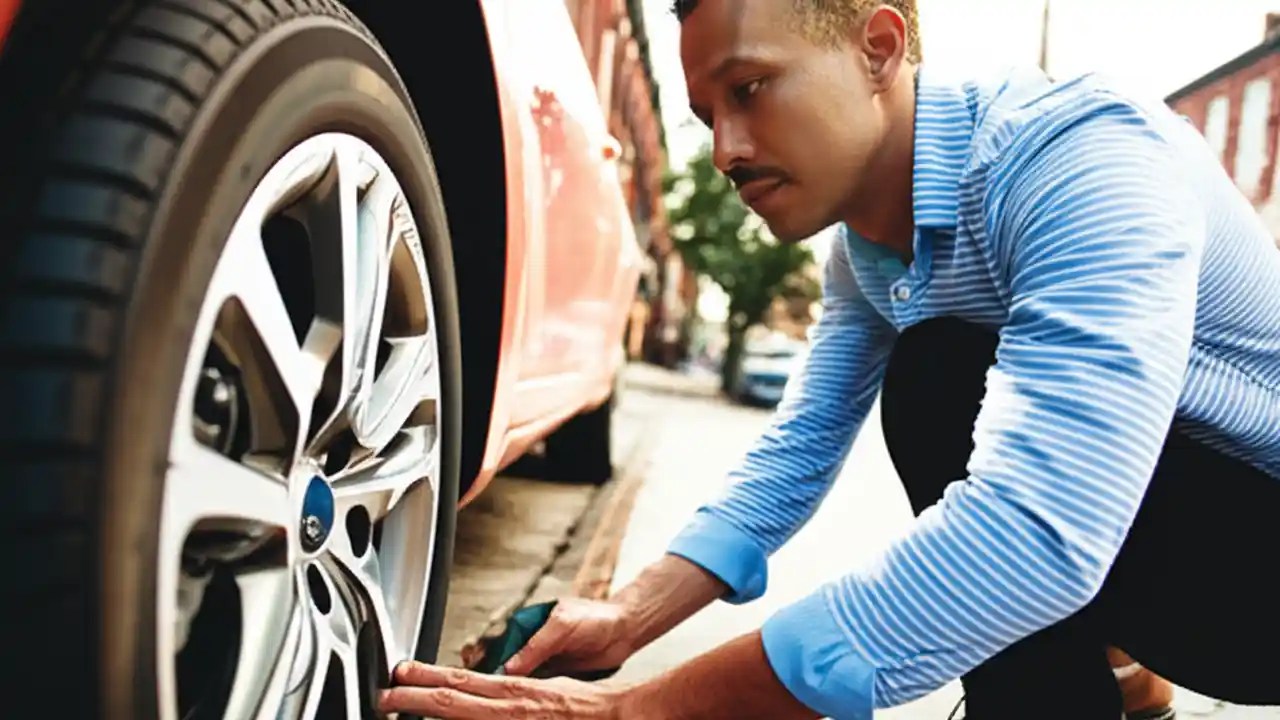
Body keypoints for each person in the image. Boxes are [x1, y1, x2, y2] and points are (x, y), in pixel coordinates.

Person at [378, 1, 1280, 718]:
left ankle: (1114, 675)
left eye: (750, 89)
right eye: (706, 117)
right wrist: (630, 614)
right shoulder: (866, 251)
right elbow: (799, 447)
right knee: (938, 374)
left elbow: (1037, 530)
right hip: (1177, 555)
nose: (726, 151)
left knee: (940, 382)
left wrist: (645, 708)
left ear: (878, 48)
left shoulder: (1078, 159)